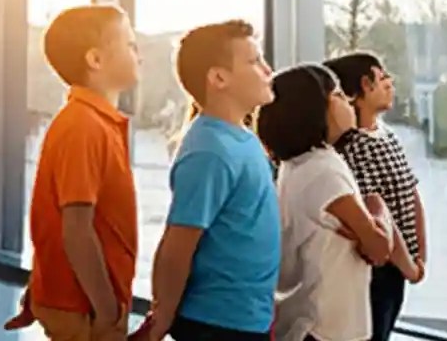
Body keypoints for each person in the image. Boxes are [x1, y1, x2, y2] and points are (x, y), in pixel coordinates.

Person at [258, 64, 419, 341]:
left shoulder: (296, 165)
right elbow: (379, 249)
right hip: (327, 329)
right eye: (339, 95)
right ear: (316, 109)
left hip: (303, 321)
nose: (348, 103)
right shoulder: (324, 172)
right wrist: (377, 207)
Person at [142, 20, 280, 341]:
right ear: (219, 78)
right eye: (254, 61)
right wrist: (162, 317)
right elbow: (178, 244)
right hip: (216, 324)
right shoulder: (211, 151)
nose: (268, 69)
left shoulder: (241, 138)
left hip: (248, 319)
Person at [12, 3, 142, 340]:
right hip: (84, 306)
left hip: (85, 301)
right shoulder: (83, 126)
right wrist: (107, 309)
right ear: (95, 60)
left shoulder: (95, 122)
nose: (137, 52)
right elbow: (77, 229)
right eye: (129, 44)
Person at [324, 52, 427, 341]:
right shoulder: (352, 148)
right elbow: (373, 216)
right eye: (380, 79)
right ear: (355, 94)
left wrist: (419, 255)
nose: (389, 83)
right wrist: (409, 266)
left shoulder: (387, 135)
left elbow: (411, 193)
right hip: (377, 268)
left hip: (401, 264)